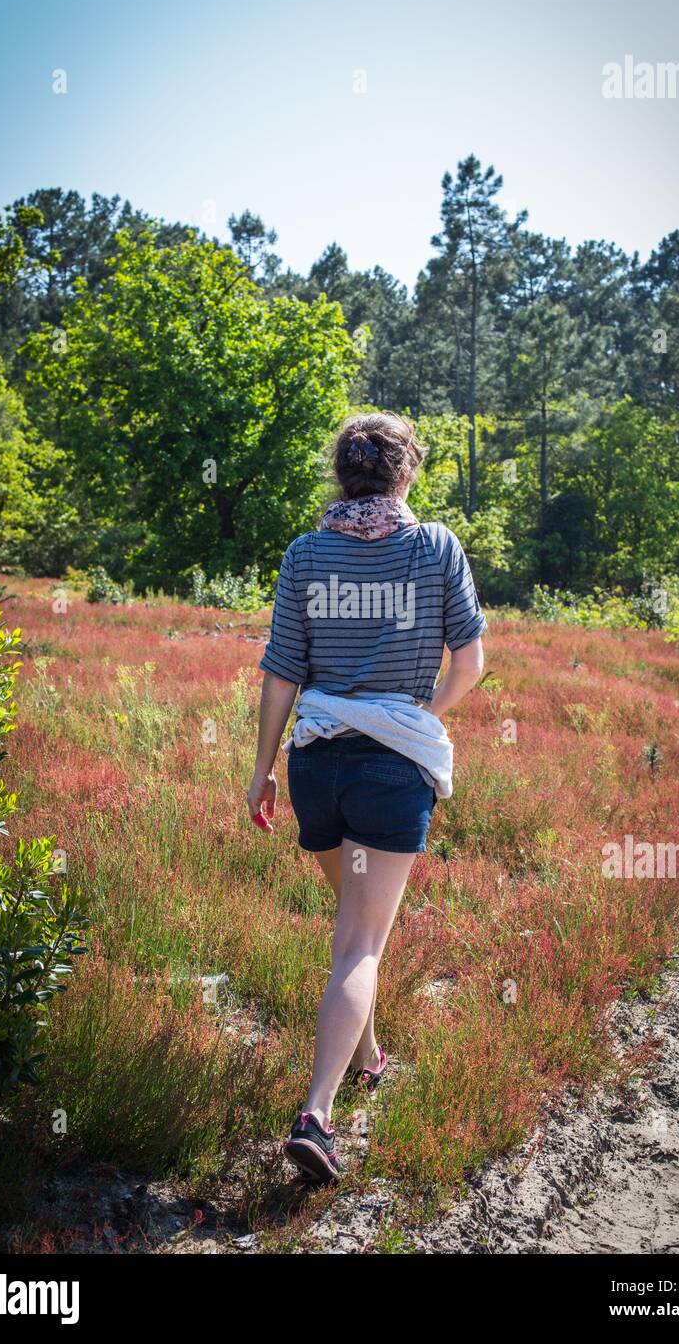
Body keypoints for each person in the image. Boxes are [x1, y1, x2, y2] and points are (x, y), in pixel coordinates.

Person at [247, 411, 486, 1185]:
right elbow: (471, 663)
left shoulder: (305, 553)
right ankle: (315, 1116)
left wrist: (262, 771)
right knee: (360, 942)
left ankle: (369, 1055)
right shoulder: (436, 546)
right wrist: (417, 720)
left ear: (342, 474)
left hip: (316, 767)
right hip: (390, 772)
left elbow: (281, 673)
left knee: (353, 926)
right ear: (406, 472)